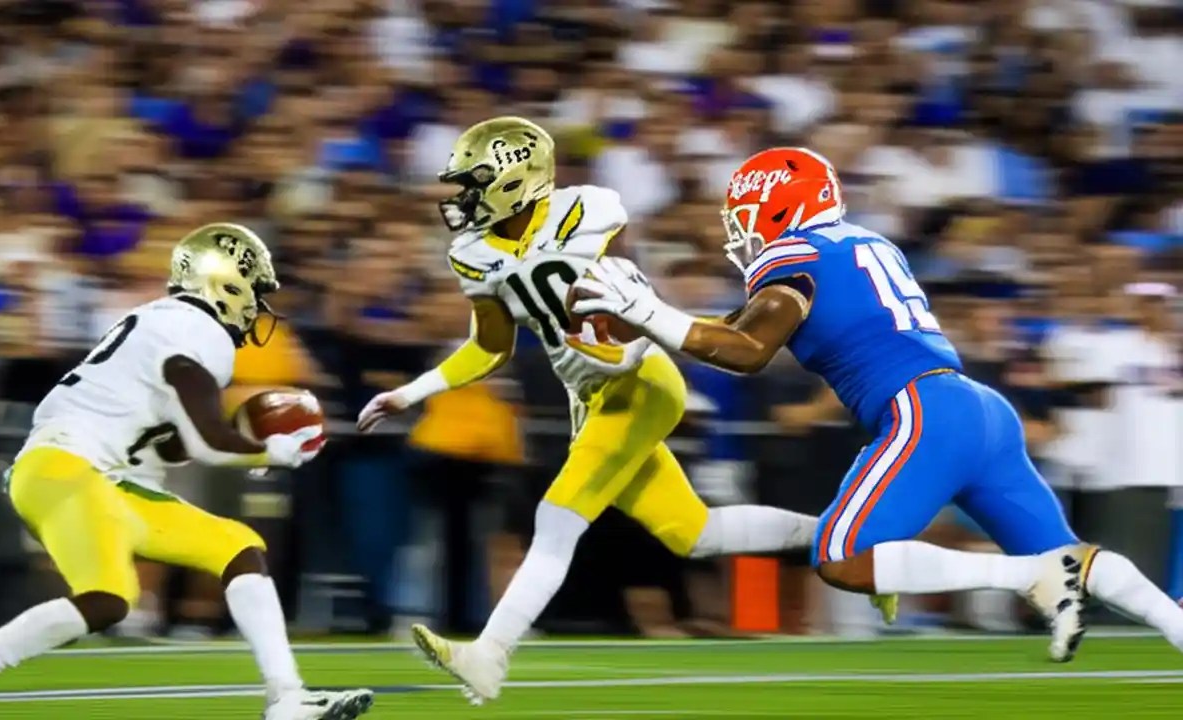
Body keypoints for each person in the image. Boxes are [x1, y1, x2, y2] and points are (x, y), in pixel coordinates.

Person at [571, 147, 1183, 663]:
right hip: (979, 409)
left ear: (782, 205)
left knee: (840, 559)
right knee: (1066, 551)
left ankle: (1028, 577)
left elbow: (749, 349)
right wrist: (648, 325)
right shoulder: (863, 242)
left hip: (923, 413)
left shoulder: (793, 257)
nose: (741, 229)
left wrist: (644, 311)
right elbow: (734, 331)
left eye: (746, 213)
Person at [356, 118, 891, 705]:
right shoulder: (473, 254)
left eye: (477, 180)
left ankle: (489, 655)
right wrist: (412, 392)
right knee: (695, 534)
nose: (464, 194)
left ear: (516, 177)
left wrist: (616, 331)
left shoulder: (591, 210)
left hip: (638, 379)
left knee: (558, 519)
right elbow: (491, 347)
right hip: (590, 398)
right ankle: (853, 542)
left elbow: (631, 295)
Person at [0, 224, 374, 720]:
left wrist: (243, 438)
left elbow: (170, 446)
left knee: (238, 549)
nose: (256, 308)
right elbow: (205, 443)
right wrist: (267, 451)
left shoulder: (162, 323)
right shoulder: (200, 332)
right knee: (108, 598)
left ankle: (288, 697)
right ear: (223, 285)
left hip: (103, 476)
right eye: (252, 292)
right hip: (68, 468)